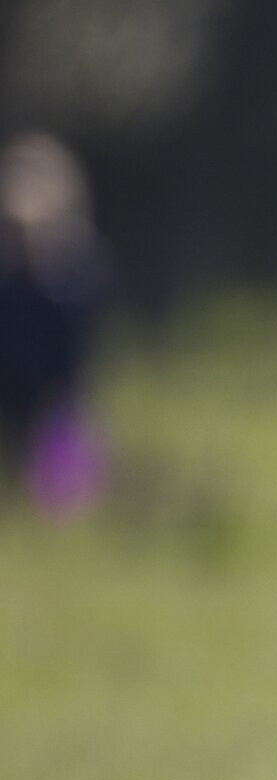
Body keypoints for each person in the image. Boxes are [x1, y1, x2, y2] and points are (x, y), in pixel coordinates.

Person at [0, 132, 110, 516]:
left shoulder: (74, 270)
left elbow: (77, 349)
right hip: (11, 400)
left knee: (59, 504)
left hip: (59, 406)